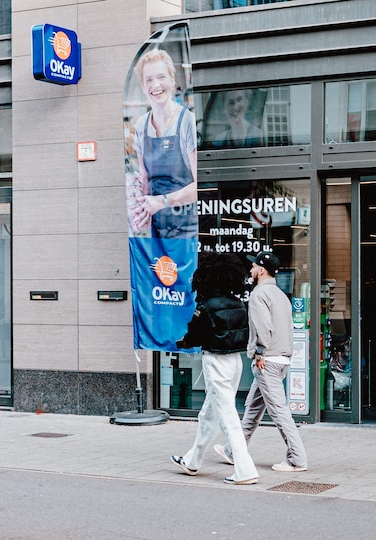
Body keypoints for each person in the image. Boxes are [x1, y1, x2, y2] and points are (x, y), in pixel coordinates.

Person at [170, 253, 260, 485]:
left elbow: (195, 334)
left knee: (227, 416)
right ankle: (192, 461)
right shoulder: (239, 304)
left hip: (215, 361)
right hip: (235, 362)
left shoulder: (206, 306)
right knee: (208, 414)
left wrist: (186, 341)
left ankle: (245, 469)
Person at [218, 250, 309, 472]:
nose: (250, 270)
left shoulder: (259, 294)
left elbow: (263, 327)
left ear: (261, 270)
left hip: (267, 360)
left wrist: (259, 353)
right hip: (281, 359)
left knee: (279, 412)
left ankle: (297, 459)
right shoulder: (281, 295)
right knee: (253, 408)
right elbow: (288, 328)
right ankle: (233, 450)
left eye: (252, 267)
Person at [129, 48, 198, 239]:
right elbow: (145, 179)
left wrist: (164, 201)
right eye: (148, 79)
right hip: (156, 230)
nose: (156, 85)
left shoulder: (187, 121)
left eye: (161, 77)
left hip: (187, 230)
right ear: (143, 87)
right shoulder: (142, 126)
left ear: (172, 80)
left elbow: (201, 185)